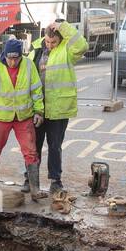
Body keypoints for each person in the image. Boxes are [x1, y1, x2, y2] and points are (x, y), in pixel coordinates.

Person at [0, 38, 44, 200]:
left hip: (23, 116)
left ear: (21, 56)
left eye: (16, 59)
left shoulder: (28, 65)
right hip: (2, 117)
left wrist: (38, 112)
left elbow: (36, 90)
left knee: (31, 152)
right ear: (4, 55)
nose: (12, 62)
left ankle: (35, 189)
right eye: (9, 58)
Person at [27, 21, 87, 194]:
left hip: (58, 108)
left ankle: (55, 180)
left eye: (53, 42)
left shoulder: (67, 50)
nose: (50, 45)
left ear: (60, 40)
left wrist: (63, 27)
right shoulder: (37, 48)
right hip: (38, 107)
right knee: (33, 145)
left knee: (54, 146)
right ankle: (30, 179)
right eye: (47, 42)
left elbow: (82, 45)